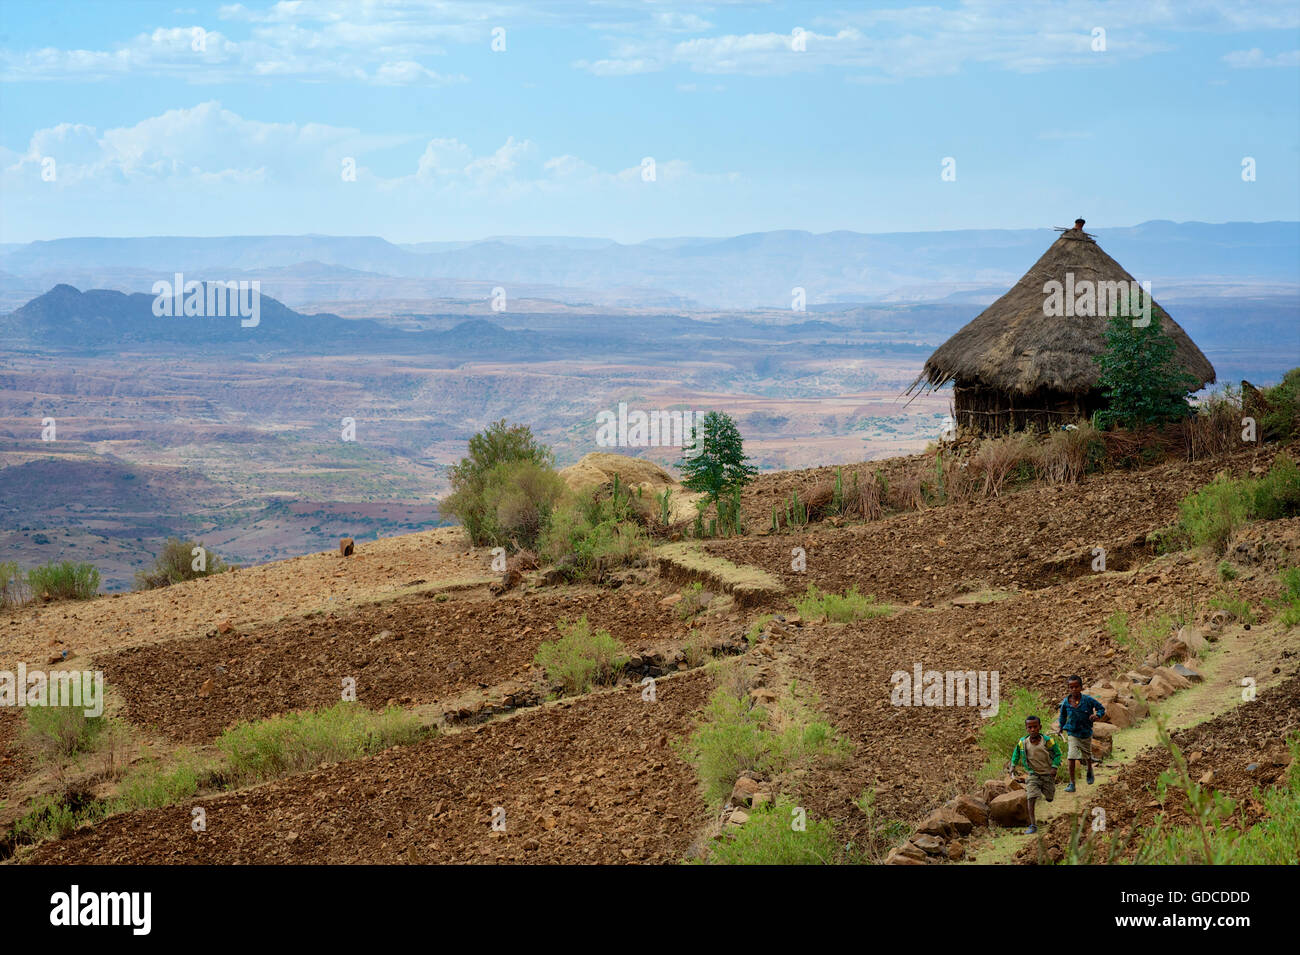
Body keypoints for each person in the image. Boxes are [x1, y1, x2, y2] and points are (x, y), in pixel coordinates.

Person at [1009, 715, 1062, 835]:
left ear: (1040, 727)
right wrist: (1013, 765)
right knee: (1031, 797)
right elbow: (1016, 754)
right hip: (1033, 774)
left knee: (1049, 798)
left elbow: (1058, 754)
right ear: (1026, 728)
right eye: (1030, 727)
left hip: (1047, 774)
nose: (1032, 729)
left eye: (1035, 727)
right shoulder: (1023, 742)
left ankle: (1046, 792)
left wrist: (1054, 766)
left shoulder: (1048, 741)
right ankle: (1033, 825)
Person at [1058, 675, 1105, 792]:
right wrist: (1061, 727)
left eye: (1076, 687)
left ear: (1081, 687)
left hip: (1086, 732)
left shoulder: (1088, 700)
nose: (1074, 689)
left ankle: (1089, 770)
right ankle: (1072, 783)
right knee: (1071, 756)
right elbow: (1062, 716)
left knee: (1087, 755)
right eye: (1071, 687)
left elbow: (1101, 708)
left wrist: (1097, 715)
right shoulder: (1066, 702)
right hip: (1072, 733)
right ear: (1068, 688)